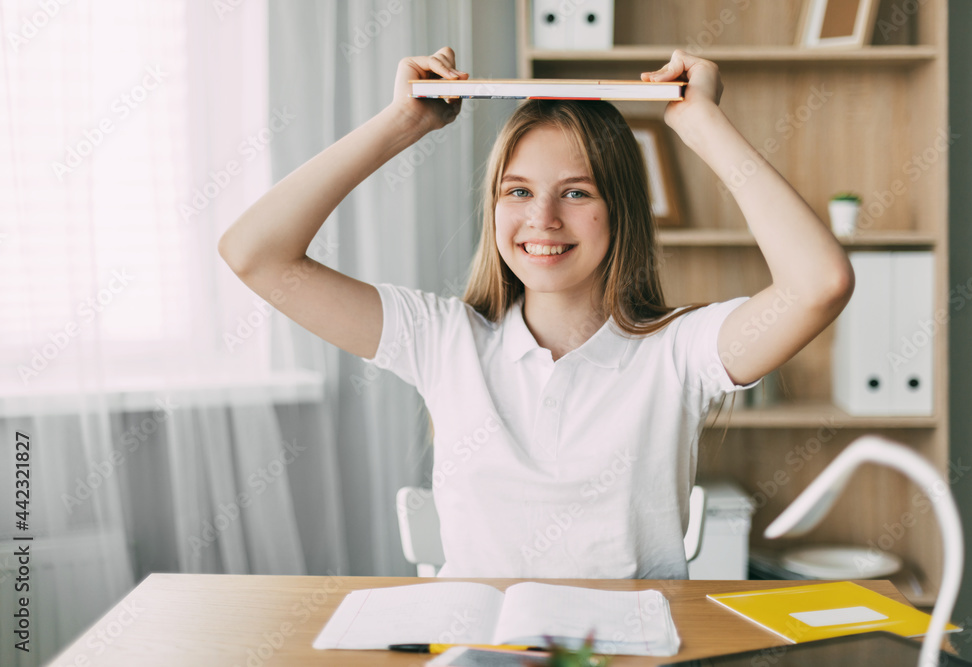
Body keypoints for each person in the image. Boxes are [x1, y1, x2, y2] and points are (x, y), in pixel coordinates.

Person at [218, 47, 854, 579]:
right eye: (517, 192)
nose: (542, 220)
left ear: (622, 209)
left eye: (576, 193)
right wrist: (400, 123)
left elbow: (819, 284)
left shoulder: (679, 350)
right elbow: (255, 255)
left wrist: (702, 122)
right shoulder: (442, 339)